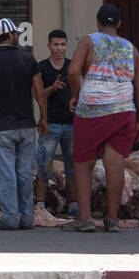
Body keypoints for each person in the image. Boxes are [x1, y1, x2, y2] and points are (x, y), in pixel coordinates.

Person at [62, 4, 139, 232]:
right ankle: (112, 219)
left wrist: (75, 95)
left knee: (82, 163)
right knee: (115, 163)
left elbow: (72, 72)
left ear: (98, 22)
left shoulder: (89, 41)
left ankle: (85, 218)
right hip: (123, 112)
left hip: (92, 110)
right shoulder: (132, 49)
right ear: (119, 24)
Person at [0, 18, 48, 230]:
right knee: (25, 172)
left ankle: (10, 216)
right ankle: (26, 217)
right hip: (26, 125)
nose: (17, 36)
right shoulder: (28, 59)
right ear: (9, 36)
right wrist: (43, 117)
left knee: (7, 172)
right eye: (15, 34)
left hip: (1, 127)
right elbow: (40, 92)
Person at [35, 29, 77, 215]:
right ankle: (41, 204)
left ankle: (74, 204)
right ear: (49, 46)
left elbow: (81, 92)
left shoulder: (72, 67)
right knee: (44, 165)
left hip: (72, 124)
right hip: (50, 124)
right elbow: (38, 95)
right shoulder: (41, 67)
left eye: (62, 45)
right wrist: (52, 87)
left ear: (66, 46)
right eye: (56, 44)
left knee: (73, 167)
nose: (59, 48)